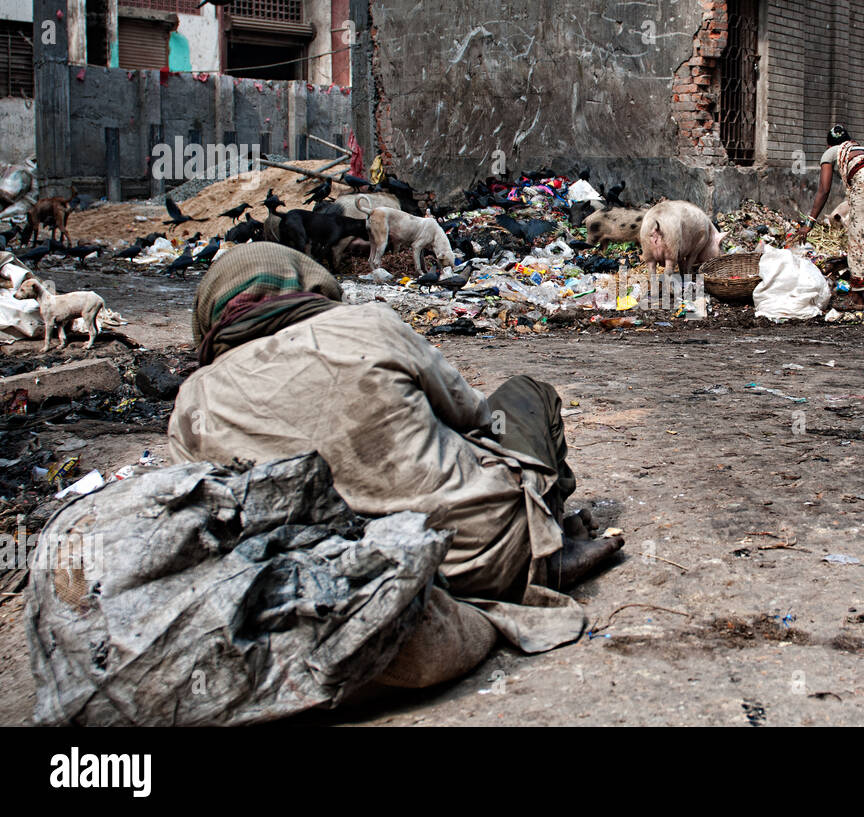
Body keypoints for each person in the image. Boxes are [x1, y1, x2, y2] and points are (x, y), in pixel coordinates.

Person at [168, 242, 624, 659]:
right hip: (482, 556)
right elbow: (476, 416)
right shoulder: (368, 322)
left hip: (332, 592)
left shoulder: (193, 400)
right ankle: (549, 547)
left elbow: (213, 523)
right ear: (309, 282)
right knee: (527, 393)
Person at [792, 125, 864, 301]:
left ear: (829, 145)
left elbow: (823, 190)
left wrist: (809, 223)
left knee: (859, 235)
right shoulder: (860, 148)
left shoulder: (831, 152)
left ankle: (858, 296)